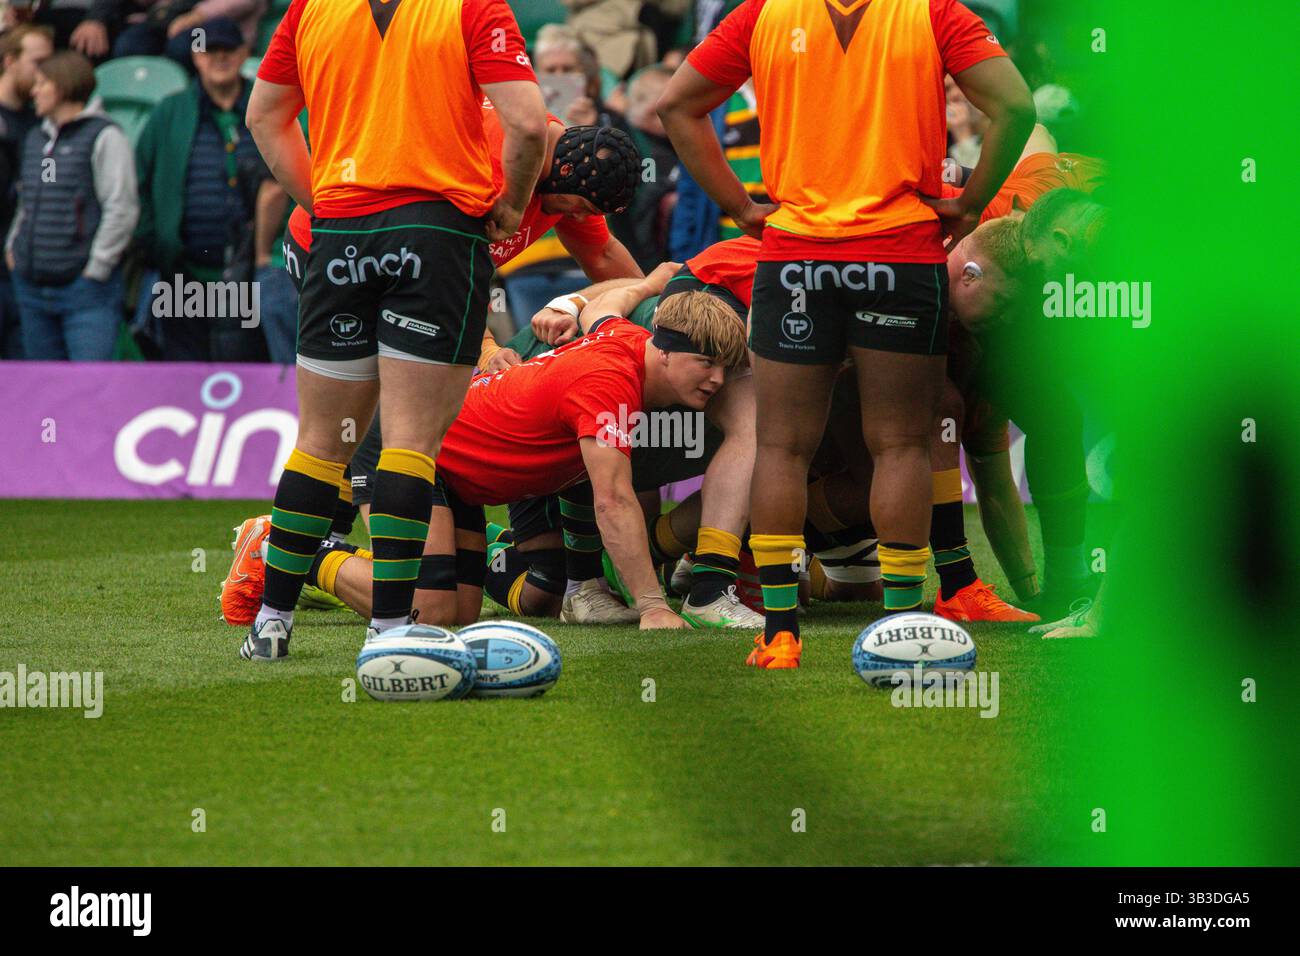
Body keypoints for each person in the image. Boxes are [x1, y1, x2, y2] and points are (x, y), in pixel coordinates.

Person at [658, 0, 1035, 668]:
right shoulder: (935, 12)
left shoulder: (760, 14)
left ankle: (779, 633)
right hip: (901, 254)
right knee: (900, 443)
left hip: (798, 255)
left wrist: (738, 206)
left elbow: (677, 105)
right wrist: (972, 203)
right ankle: (901, 629)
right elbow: (1015, 106)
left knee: (781, 445)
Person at [237, 0, 547, 663]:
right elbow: (525, 122)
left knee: (320, 444)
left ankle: (270, 623)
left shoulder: (310, 9)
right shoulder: (474, 7)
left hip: (343, 231)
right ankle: (388, 631)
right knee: (410, 442)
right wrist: (514, 203)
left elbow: (263, 116)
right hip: (435, 233)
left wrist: (322, 203)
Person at [225, 281, 749, 634]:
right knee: (426, 615)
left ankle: (346, 557)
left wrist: (652, 281)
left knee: (455, 617)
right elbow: (612, 501)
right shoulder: (610, 381)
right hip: (409, 446)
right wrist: (654, 607)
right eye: (705, 363)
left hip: (460, 476)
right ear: (663, 350)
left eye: (726, 367)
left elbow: (602, 306)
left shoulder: (628, 336)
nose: (718, 380)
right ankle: (282, 546)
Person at [132, 17, 274, 361]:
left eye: (228, 50)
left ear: (244, 55)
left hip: (251, 275)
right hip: (184, 274)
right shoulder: (171, 111)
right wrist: (157, 243)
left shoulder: (266, 107)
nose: (218, 58)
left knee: (246, 371)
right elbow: (141, 181)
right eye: (209, 51)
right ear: (195, 57)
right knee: (184, 373)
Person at [5, 50, 137, 360]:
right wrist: (14, 248)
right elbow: (28, 201)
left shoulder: (105, 135)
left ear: (63, 86)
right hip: (31, 286)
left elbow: (122, 207)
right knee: (47, 392)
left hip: (85, 292)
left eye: (41, 83)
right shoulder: (36, 137)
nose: (34, 91)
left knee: (89, 389)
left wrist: (97, 268)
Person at [0, 22, 53, 358]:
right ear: (9, 61)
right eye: (37, 63)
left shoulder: (44, 123)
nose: (43, 74)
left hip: (22, 269)